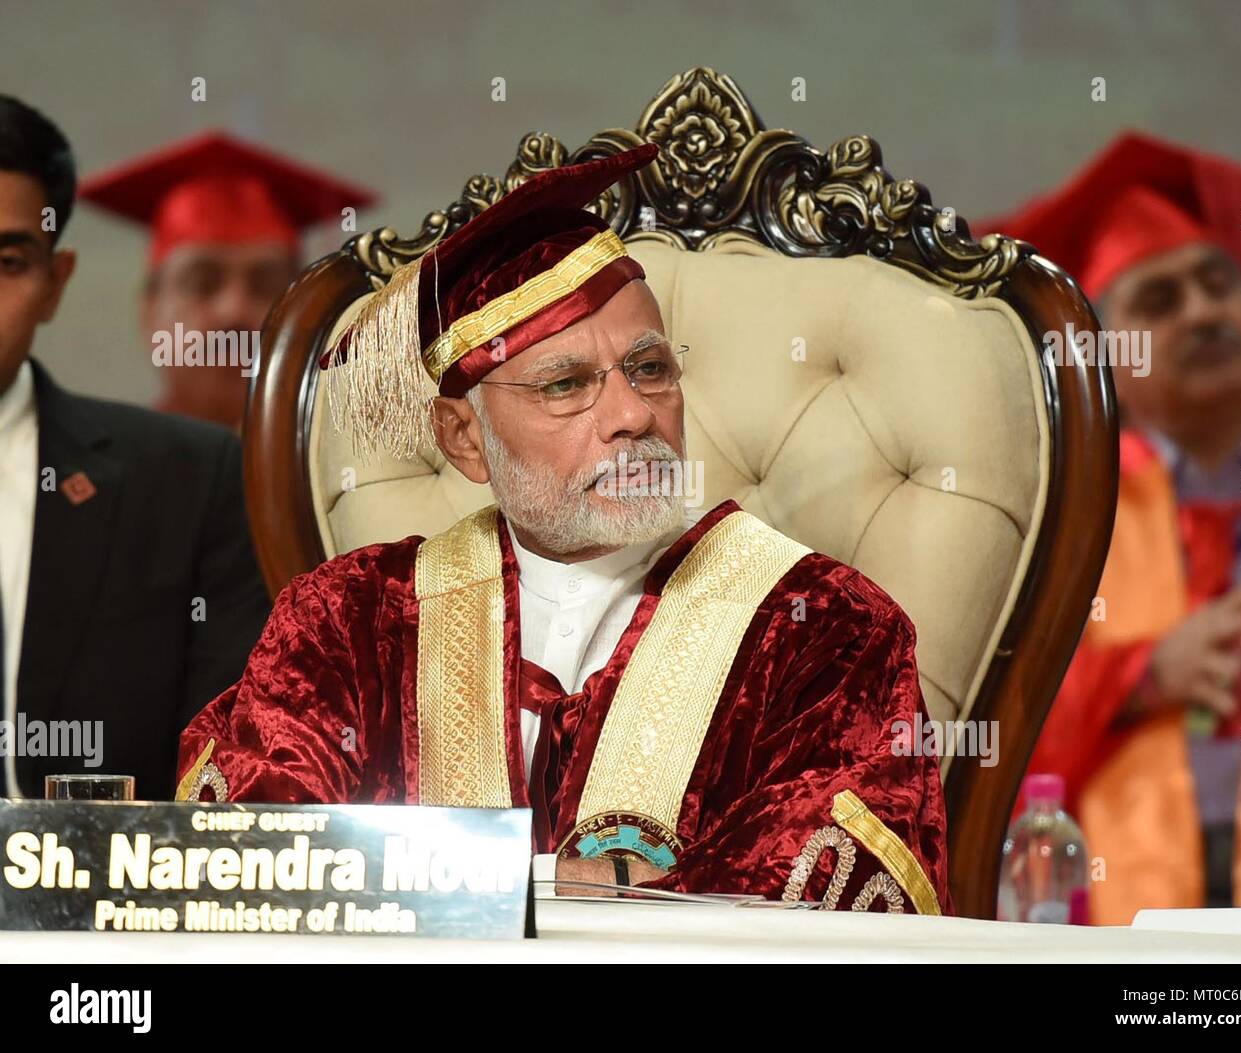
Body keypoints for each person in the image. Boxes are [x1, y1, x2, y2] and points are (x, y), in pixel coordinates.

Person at [177, 144, 950, 913]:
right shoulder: (353, 622)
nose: (632, 416)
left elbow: (826, 888)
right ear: (464, 439)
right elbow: (261, 856)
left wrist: (460, 879)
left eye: (649, 369)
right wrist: (591, 884)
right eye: (567, 385)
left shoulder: (827, 630)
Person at [983, 131, 1241, 923]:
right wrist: (1147, 676)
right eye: (1161, 300)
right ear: (1102, 349)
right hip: (1119, 904)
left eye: (1216, 282)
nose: (1202, 311)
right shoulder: (1060, 500)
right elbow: (991, 728)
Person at [0, 95, 271, 799]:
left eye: (5, 261)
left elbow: (222, 781)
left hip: (92, 897)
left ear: (55, 283)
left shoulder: (189, 481)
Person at [80, 131, 376, 430]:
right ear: (150, 312)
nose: (233, 311)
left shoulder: (349, 469)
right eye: (202, 284)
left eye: (264, 285)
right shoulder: (102, 471)